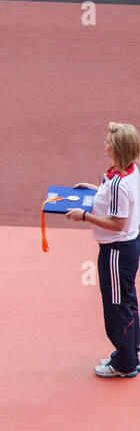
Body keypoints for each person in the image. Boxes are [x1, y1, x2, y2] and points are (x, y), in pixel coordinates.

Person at [67, 122, 140, 378]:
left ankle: (125, 363)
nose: (104, 143)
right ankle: (131, 351)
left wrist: (84, 216)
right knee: (127, 301)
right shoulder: (125, 173)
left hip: (116, 252)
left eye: (109, 141)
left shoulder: (120, 183)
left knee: (116, 306)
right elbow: (114, 200)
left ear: (118, 148)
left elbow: (118, 223)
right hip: (126, 249)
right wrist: (95, 191)